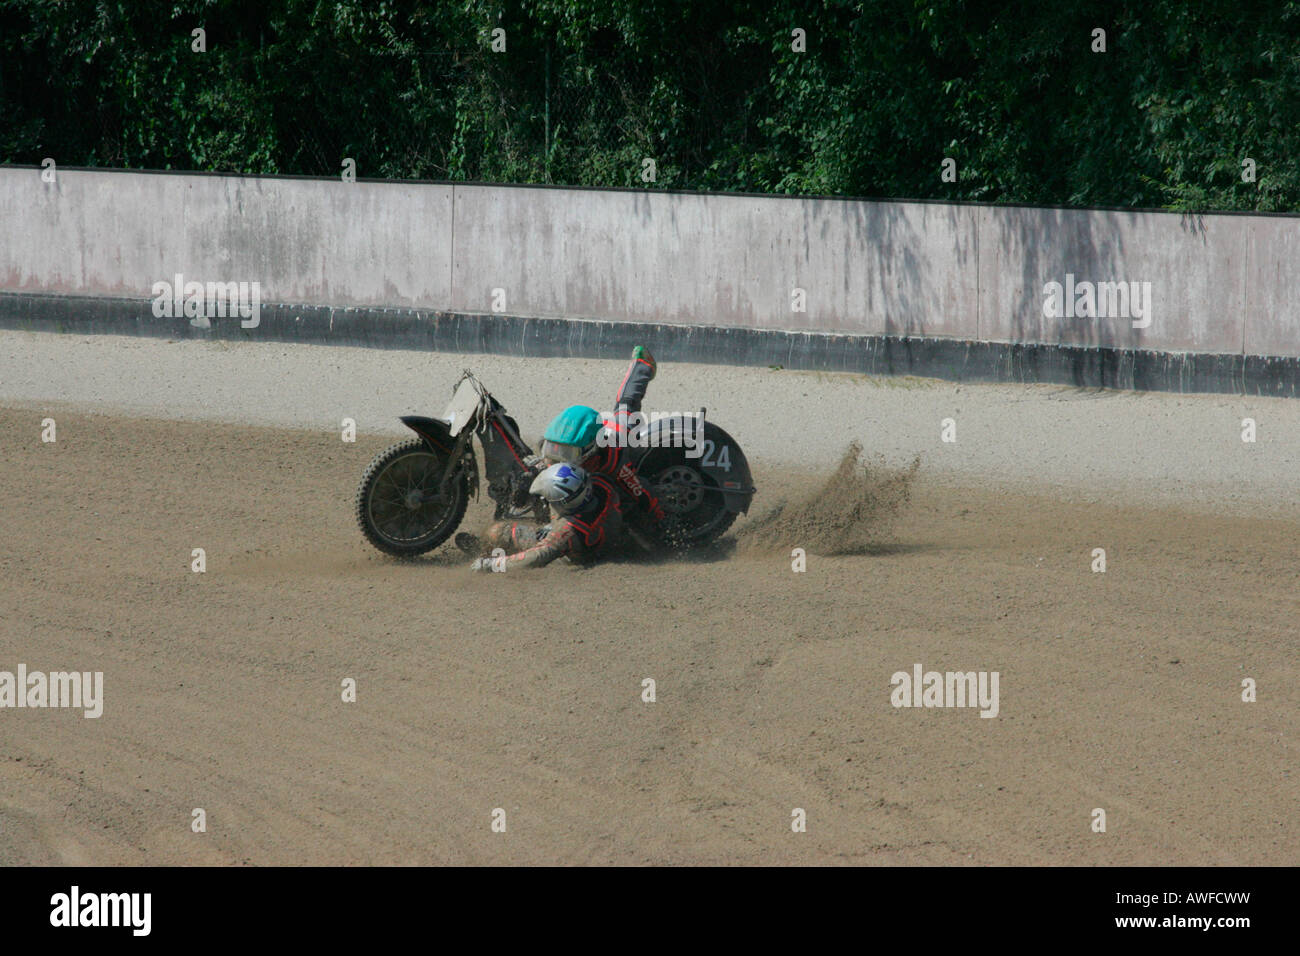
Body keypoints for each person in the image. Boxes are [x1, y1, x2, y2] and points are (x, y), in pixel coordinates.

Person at [471, 462, 623, 571]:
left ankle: (484, 550)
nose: (546, 502)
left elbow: (536, 557)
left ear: (564, 504)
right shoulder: (601, 484)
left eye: (549, 500)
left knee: (498, 532)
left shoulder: (566, 531)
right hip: (607, 533)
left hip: (568, 555)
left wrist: (492, 565)